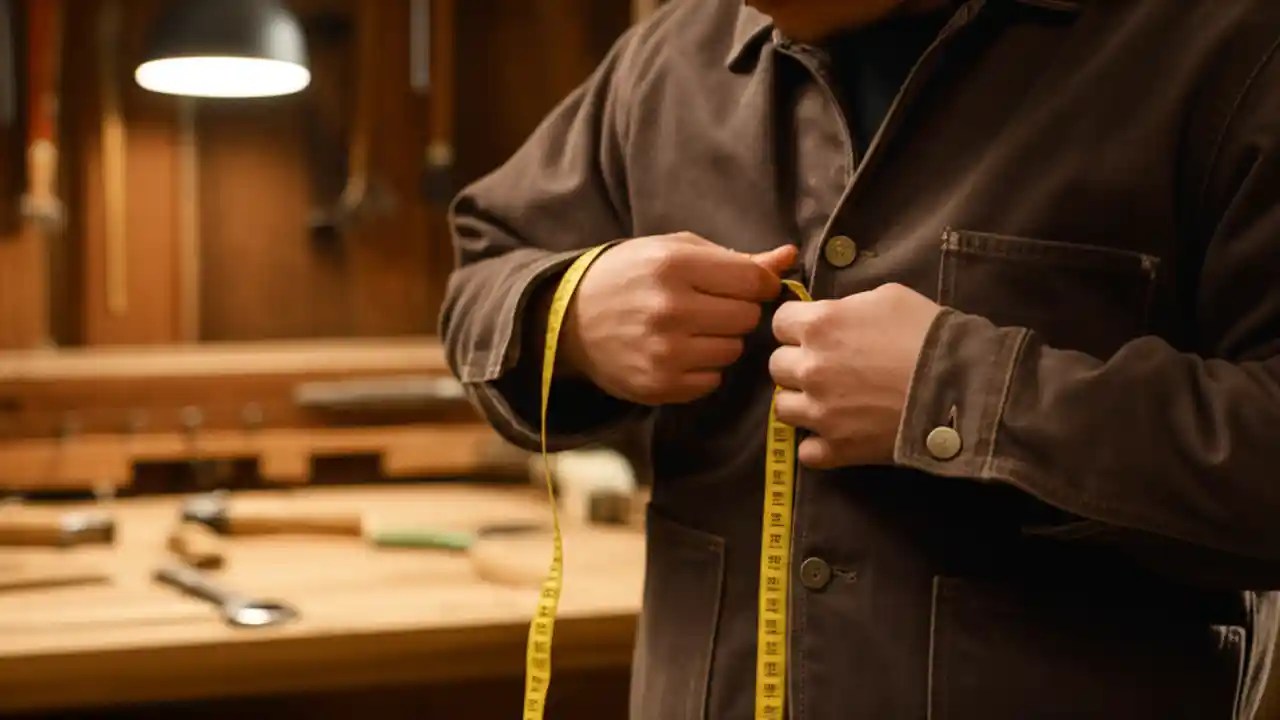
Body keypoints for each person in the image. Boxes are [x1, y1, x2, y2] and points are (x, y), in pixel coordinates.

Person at [440, 0, 1280, 717]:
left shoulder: (1222, 49)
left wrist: (961, 396)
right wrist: (574, 313)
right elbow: (485, 271)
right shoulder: (671, 59)